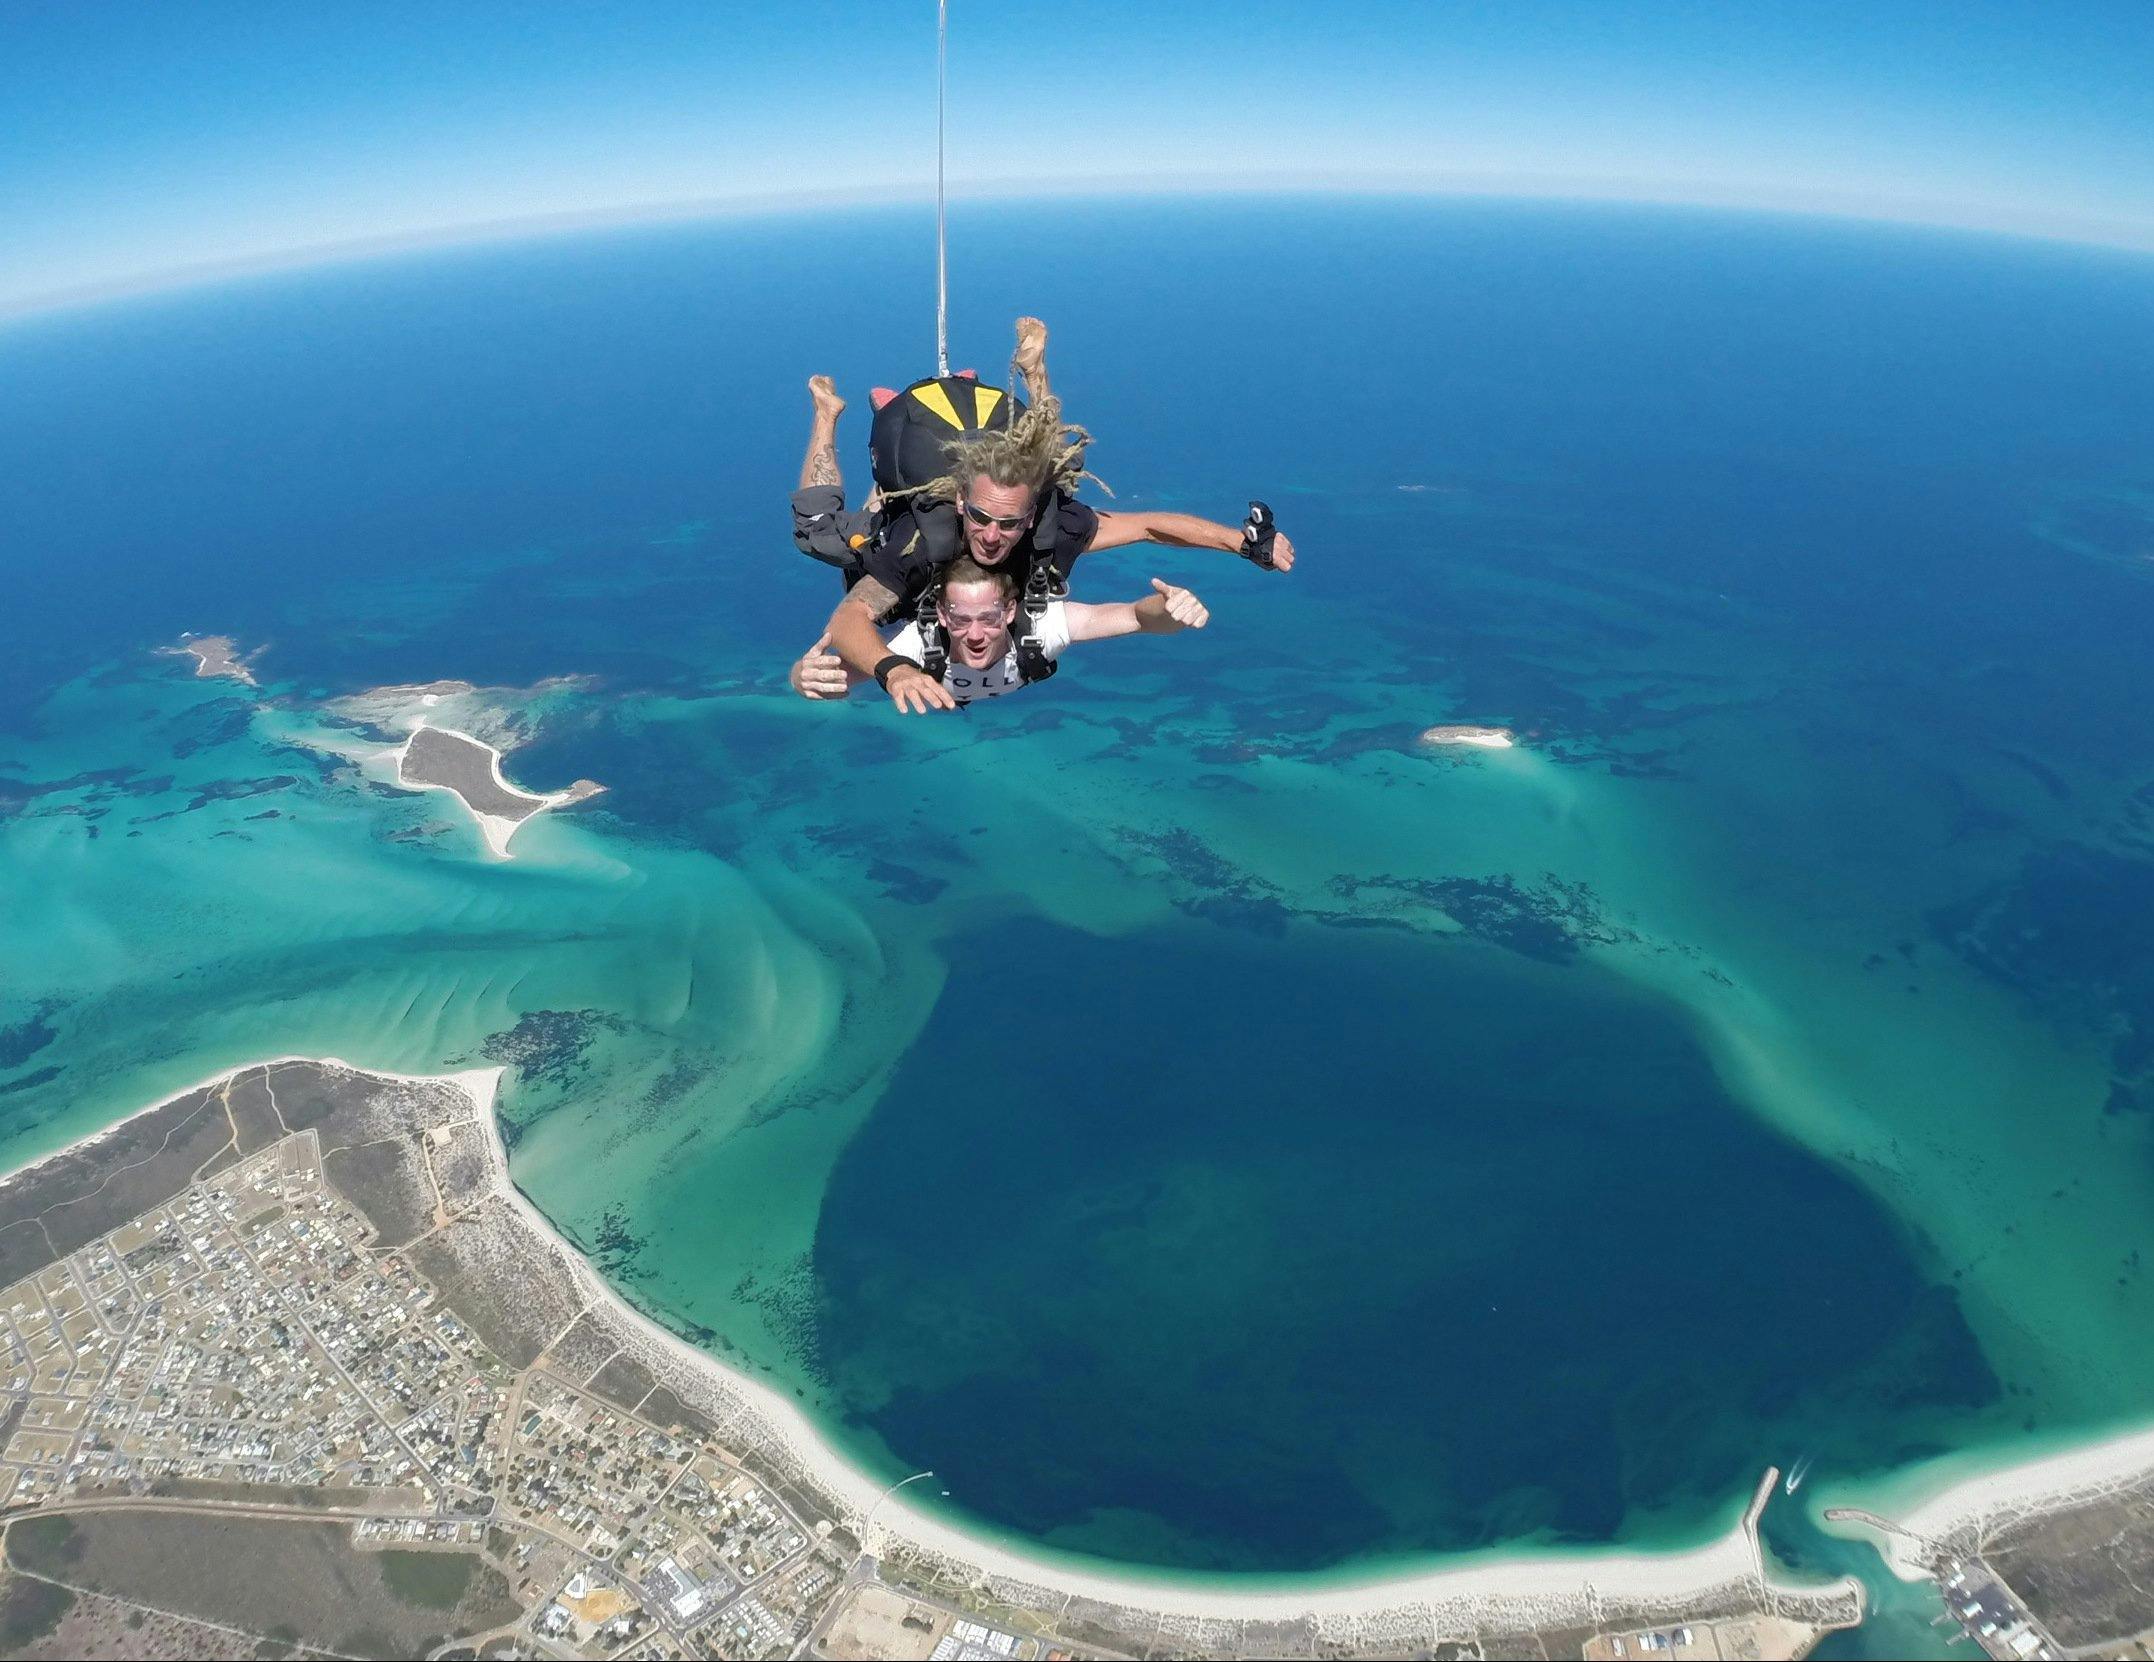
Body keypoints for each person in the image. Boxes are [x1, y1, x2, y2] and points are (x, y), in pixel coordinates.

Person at [791, 318, 1293, 713]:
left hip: (1000, 506)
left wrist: (1244, 544)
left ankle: (1030, 379)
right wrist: (1241, 543)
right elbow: (849, 622)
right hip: (933, 523)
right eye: (983, 518)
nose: (992, 536)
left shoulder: (1037, 532)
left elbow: (1148, 529)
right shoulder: (922, 551)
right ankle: (827, 414)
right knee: (819, 534)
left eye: (1009, 523)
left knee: (1047, 477)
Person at [788, 554, 1209, 714]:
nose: (974, 634)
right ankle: (828, 414)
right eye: (960, 619)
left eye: (988, 618)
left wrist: (1173, 610)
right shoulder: (915, 647)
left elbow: (1138, 617)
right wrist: (801, 678)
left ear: (1011, 611)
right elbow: (831, 680)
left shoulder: (1041, 629)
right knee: (823, 537)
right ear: (941, 615)